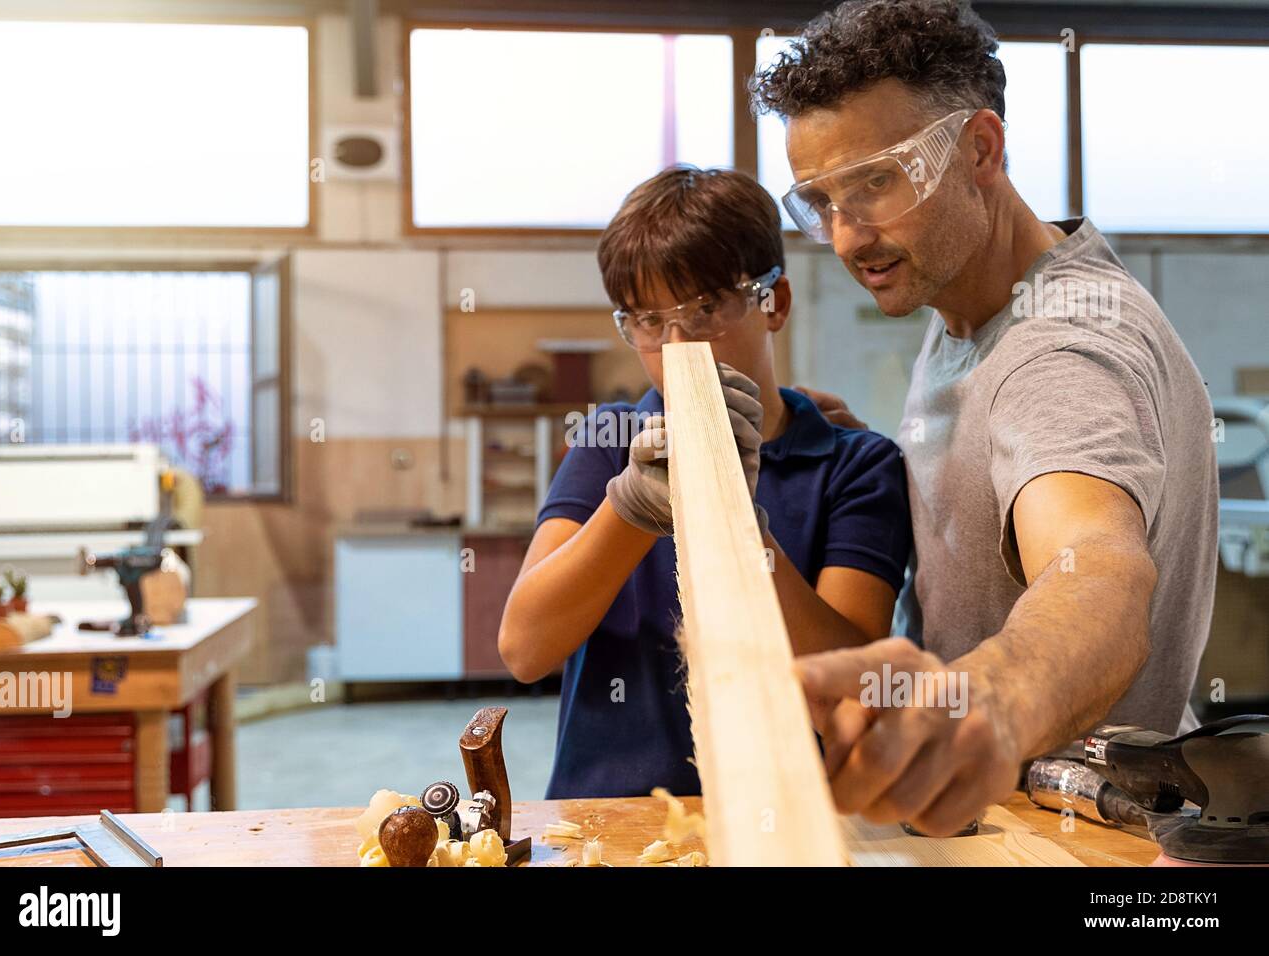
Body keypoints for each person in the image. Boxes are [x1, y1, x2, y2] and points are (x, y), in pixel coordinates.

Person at [750, 0, 1217, 835]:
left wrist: (986, 704)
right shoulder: (967, 303)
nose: (848, 236)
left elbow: (1099, 570)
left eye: (876, 182)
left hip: (1070, 839)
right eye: (819, 200)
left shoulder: (1063, 349)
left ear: (982, 150)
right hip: (992, 822)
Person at [498, 165, 912, 798]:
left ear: (774, 302)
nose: (677, 346)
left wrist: (741, 528)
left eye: (706, 308)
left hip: (789, 821)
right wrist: (631, 510)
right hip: (607, 824)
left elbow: (849, 689)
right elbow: (525, 649)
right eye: (645, 319)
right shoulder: (608, 441)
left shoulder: (856, 464)